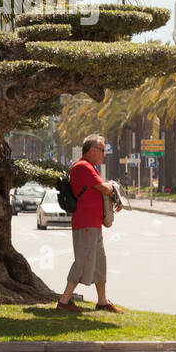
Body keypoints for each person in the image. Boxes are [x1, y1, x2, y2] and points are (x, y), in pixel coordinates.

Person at [56, 134, 124, 313]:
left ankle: (102, 301)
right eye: (102, 150)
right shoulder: (83, 167)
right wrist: (113, 188)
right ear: (92, 150)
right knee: (83, 262)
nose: (104, 154)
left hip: (94, 223)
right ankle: (64, 301)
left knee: (100, 263)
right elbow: (104, 188)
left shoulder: (90, 167)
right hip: (85, 223)